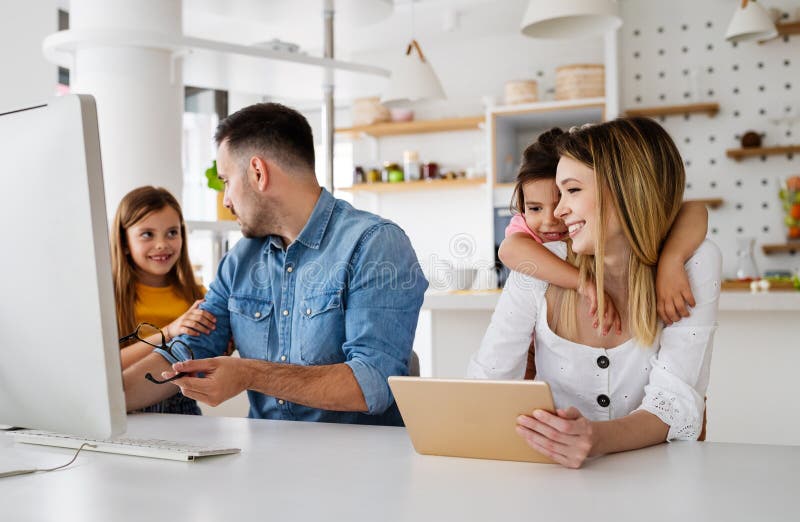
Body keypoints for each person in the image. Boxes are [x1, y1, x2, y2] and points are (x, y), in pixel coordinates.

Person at [123, 102, 428, 426]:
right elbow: (187, 351)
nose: (226, 199)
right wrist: (110, 399)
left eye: (227, 180)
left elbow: (373, 384)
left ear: (258, 172)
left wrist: (250, 373)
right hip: (264, 458)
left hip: (358, 462)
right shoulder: (239, 261)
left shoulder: (374, 245)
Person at [468, 117, 722, 468]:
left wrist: (594, 439)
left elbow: (675, 404)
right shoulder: (544, 265)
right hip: (552, 480)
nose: (558, 212)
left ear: (627, 188)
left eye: (572, 191)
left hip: (657, 481)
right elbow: (486, 384)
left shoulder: (694, 261)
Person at [111, 186, 217, 415]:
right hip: (126, 410)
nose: (162, 244)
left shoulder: (196, 293)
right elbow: (105, 365)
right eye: (147, 234)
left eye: (172, 232)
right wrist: (168, 332)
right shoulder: (109, 297)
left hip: (183, 408)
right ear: (125, 242)